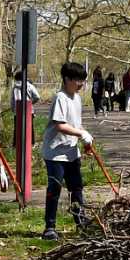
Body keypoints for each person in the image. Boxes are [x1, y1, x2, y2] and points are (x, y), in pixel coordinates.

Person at [41, 62, 93, 241]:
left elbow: (76, 125)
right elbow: (60, 125)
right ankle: (49, 227)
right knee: (54, 188)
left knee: (76, 188)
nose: (81, 84)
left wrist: (85, 140)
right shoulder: (60, 98)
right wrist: (81, 133)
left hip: (71, 152)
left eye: (83, 81)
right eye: (78, 80)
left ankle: (80, 221)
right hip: (55, 153)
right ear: (67, 79)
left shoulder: (77, 98)